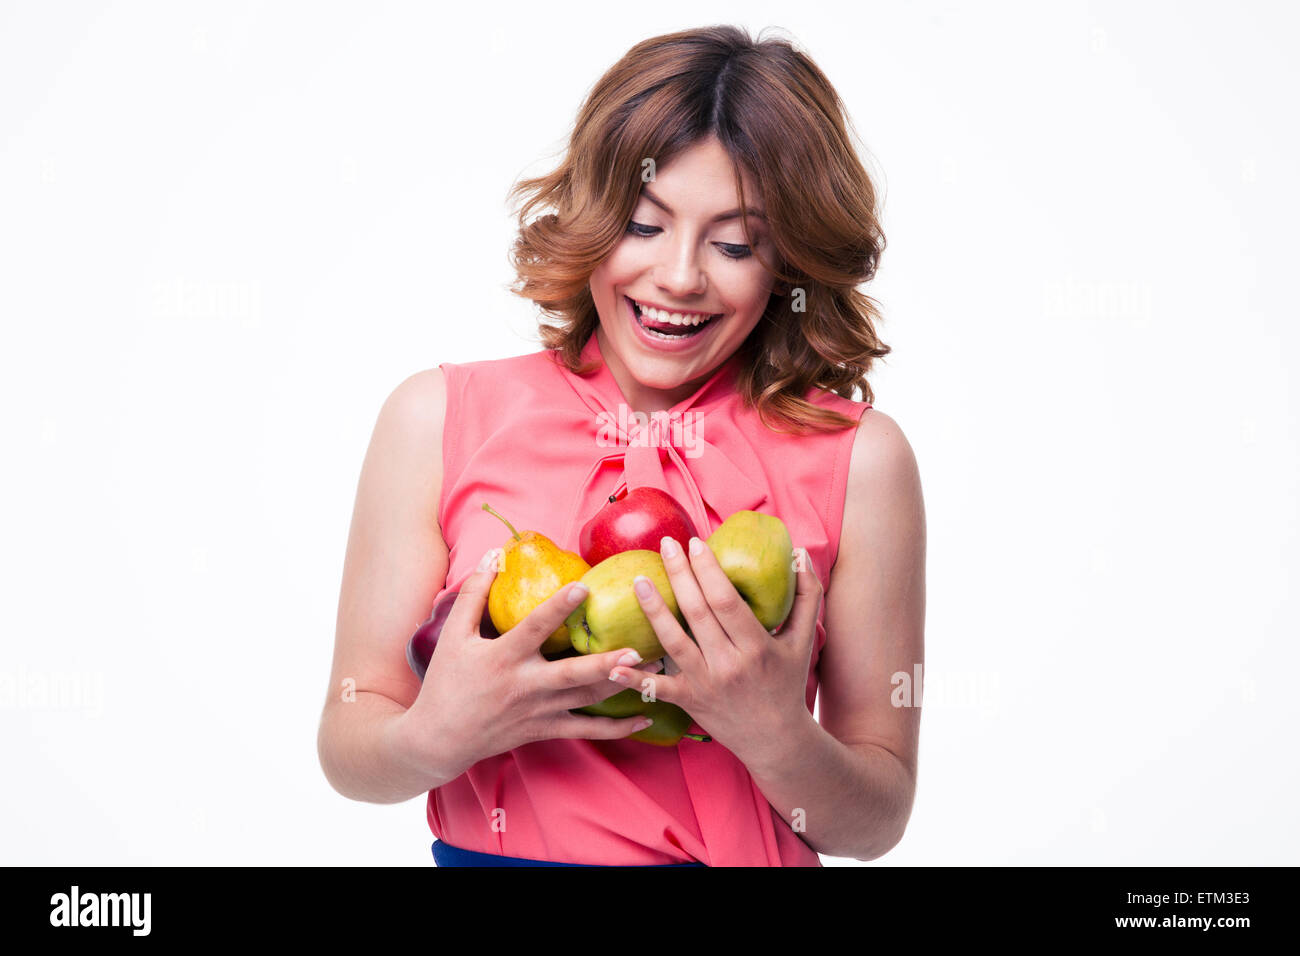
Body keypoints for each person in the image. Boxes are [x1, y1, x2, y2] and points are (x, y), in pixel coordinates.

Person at [317, 24, 925, 867]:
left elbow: (877, 821)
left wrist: (774, 733)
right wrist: (438, 735)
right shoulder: (437, 418)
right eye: (644, 225)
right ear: (595, 216)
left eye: (735, 243)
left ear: (788, 263)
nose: (679, 276)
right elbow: (350, 740)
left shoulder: (863, 459)